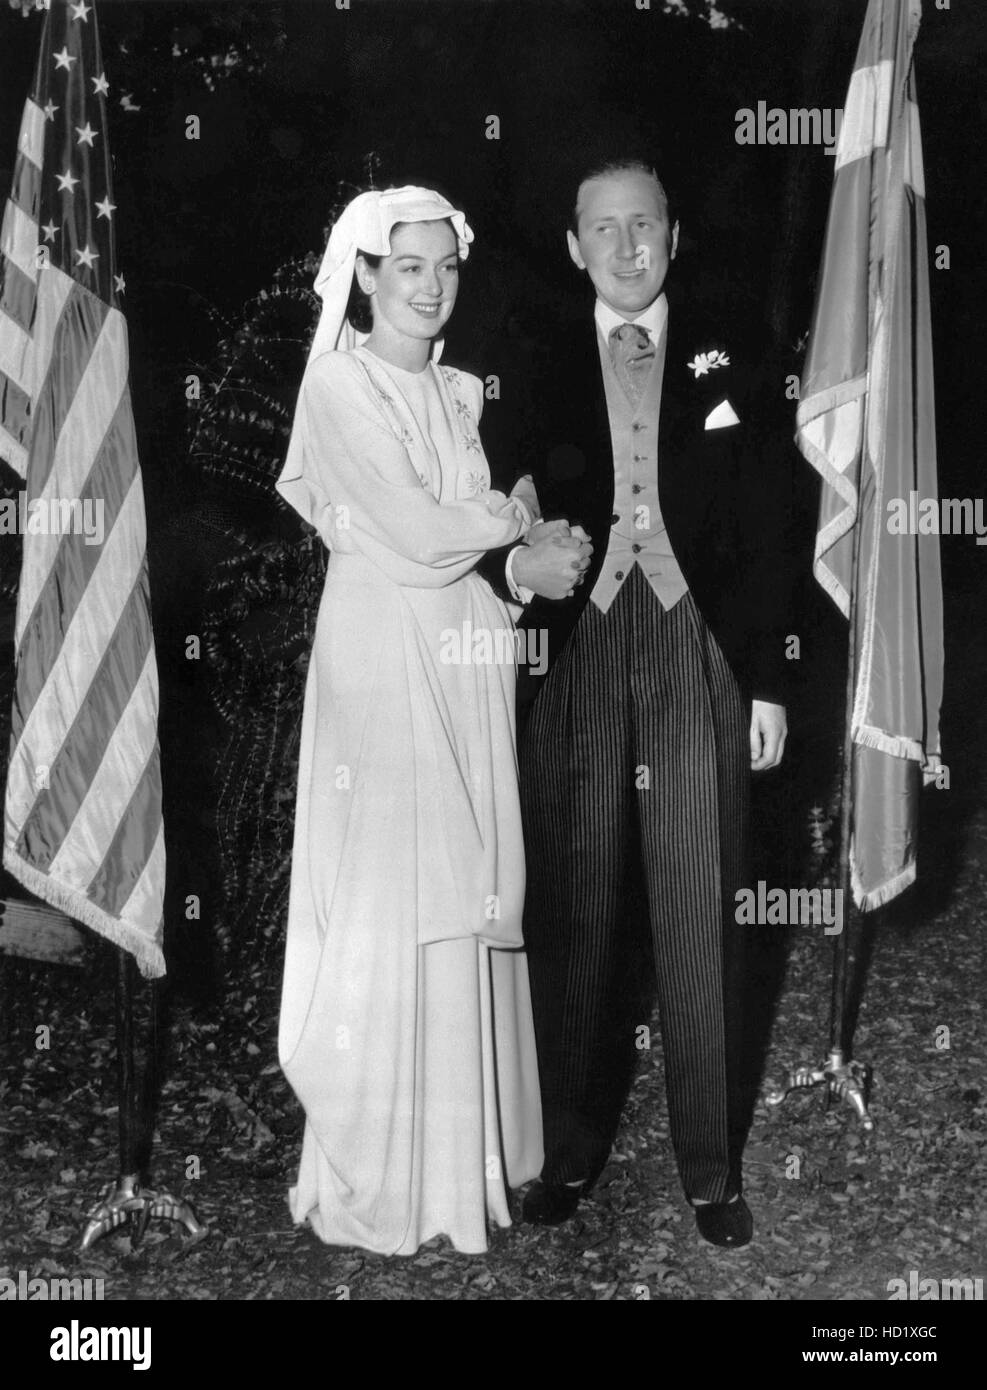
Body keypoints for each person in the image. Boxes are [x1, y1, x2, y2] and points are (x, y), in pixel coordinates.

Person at [274, 186, 589, 1256]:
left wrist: (520, 576)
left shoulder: (457, 393)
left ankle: (467, 1166)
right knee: (400, 886)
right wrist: (513, 528)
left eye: (445, 266)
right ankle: (384, 1173)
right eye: (407, 266)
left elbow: (460, 558)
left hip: (462, 660)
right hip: (381, 663)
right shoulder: (337, 383)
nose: (429, 285)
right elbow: (409, 531)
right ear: (364, 276)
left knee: (469, 883)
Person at [513, 158, 791, 1248]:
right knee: (575, 907)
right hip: (578, 653)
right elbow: (494, 509)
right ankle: (569, 1152)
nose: (627, 247)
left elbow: (773, 522)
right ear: (573, 245)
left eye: (645, 225)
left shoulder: (738, 351)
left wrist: (769, 678)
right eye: (604, 228)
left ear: (673, 236)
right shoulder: (527, 364)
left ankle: (711, 1167)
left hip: (699, 644)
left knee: (697, 903)